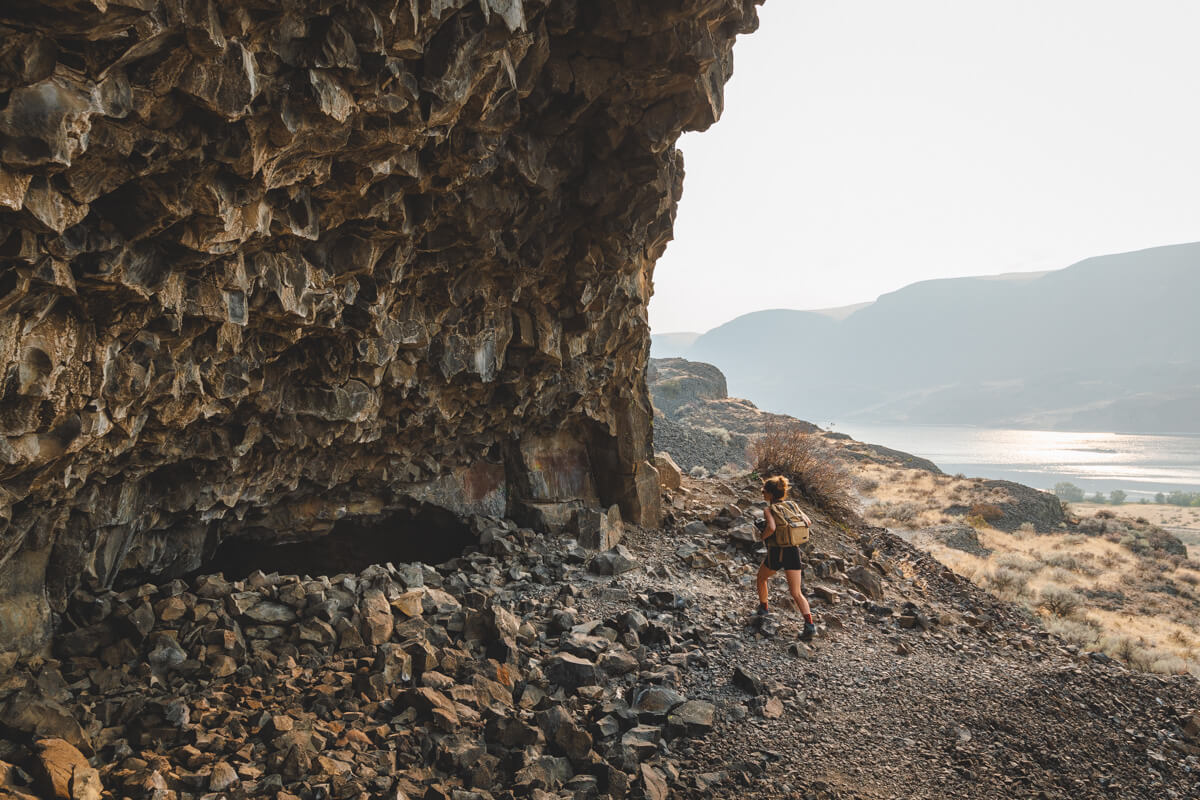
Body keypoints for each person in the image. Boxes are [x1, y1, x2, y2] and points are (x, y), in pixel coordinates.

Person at [756, 475, 817, 640]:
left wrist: (762, 536)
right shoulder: (793, 505)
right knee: (796, 592)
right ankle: (809, 625)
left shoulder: (769, 510)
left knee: (761, 578)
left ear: (770, 493)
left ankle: (763, 609)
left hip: (777, 552)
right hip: (793, 551)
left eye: (764, 491)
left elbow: (772, 527)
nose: (762, 493)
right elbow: (808, 522)